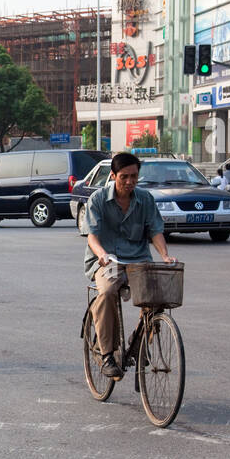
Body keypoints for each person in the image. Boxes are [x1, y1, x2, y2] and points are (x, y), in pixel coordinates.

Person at [83, 152, 177, 380]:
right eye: (124, 177)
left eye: (134, 176)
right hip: (109, 261)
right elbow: (92, 237)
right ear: (113, 175)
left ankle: (137, 345)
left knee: (157, 298)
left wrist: (164, 255)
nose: (129, 182)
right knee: (106, 293)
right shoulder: (97, 199)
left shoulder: (145, 199)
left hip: (138, 260)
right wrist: (103, 254)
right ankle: (106, 355)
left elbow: (155, 231)